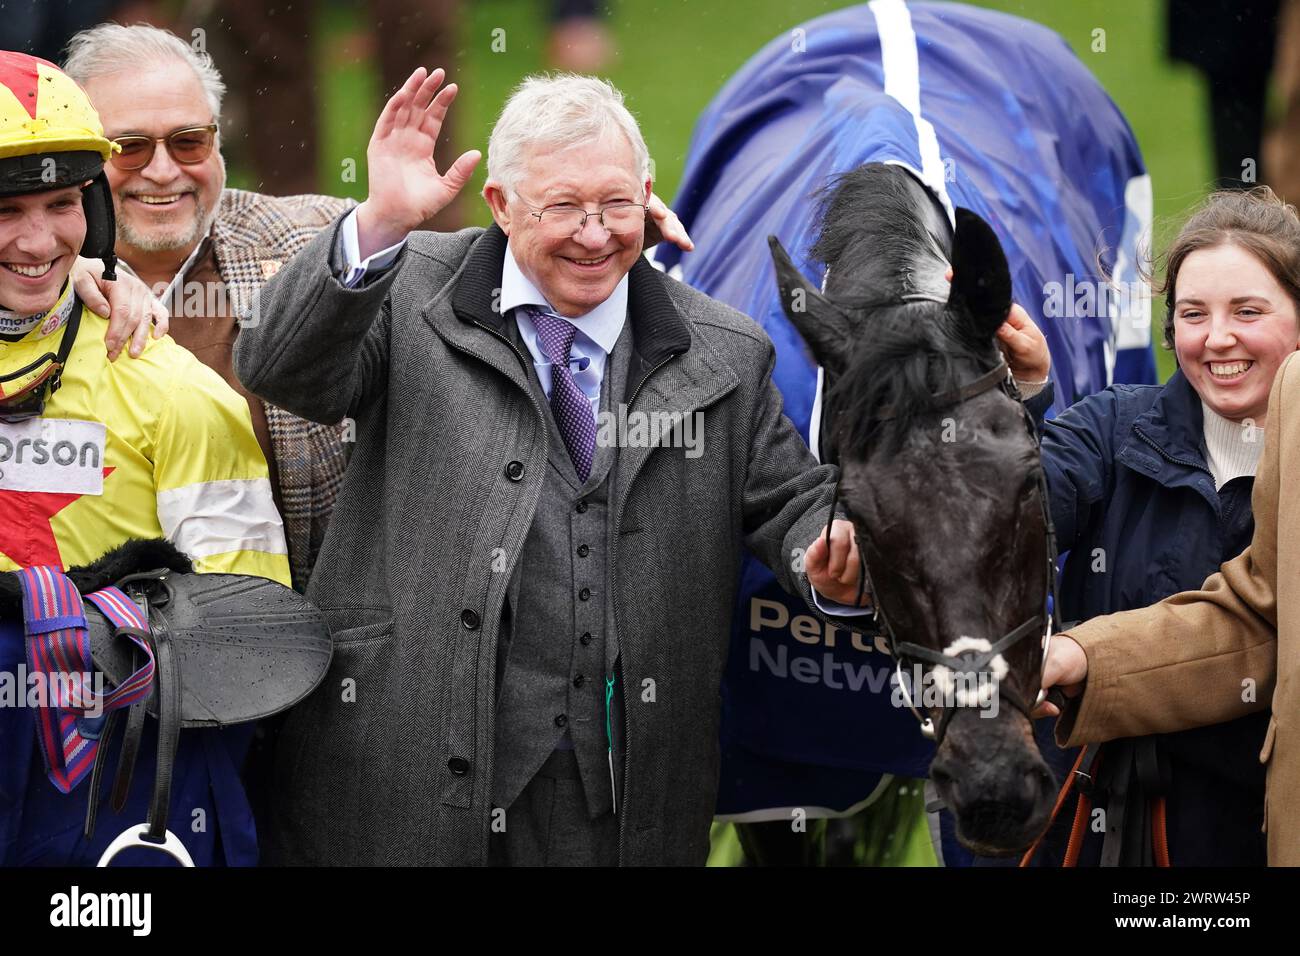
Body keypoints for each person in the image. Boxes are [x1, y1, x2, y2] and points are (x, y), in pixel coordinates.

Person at [233, 68, 870, 866]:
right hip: (397, 774)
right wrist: (382, 221)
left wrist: (830, 562)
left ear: (646, 194)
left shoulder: (725, 352)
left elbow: (795, 505)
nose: (595, 234)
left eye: (615, 203)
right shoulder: (411, 289)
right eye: (563, 207)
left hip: (617, 804)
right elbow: (279, 367)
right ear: (500, 206)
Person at [0, 50, 290, 865]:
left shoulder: (177, 390)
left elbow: (249, 649)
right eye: (5, 210)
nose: (37, 239)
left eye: (61, 204)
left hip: (105, 795)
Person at [999, 187, 1300, 865]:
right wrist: (1007, 405)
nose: (1218, 337)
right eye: (1193, 314)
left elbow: (1255, 629)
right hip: (1108, 828)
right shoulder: (1113, 427)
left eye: (1248, 311)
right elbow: (1010, 522)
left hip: (1259, 829)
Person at [62, 23, 352, 593]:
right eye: (130, 148)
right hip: (64, 650)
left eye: (188, 141)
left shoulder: (315, 244)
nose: (164, 171)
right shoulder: (27, 267)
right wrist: (57, 269)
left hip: (282, 643)